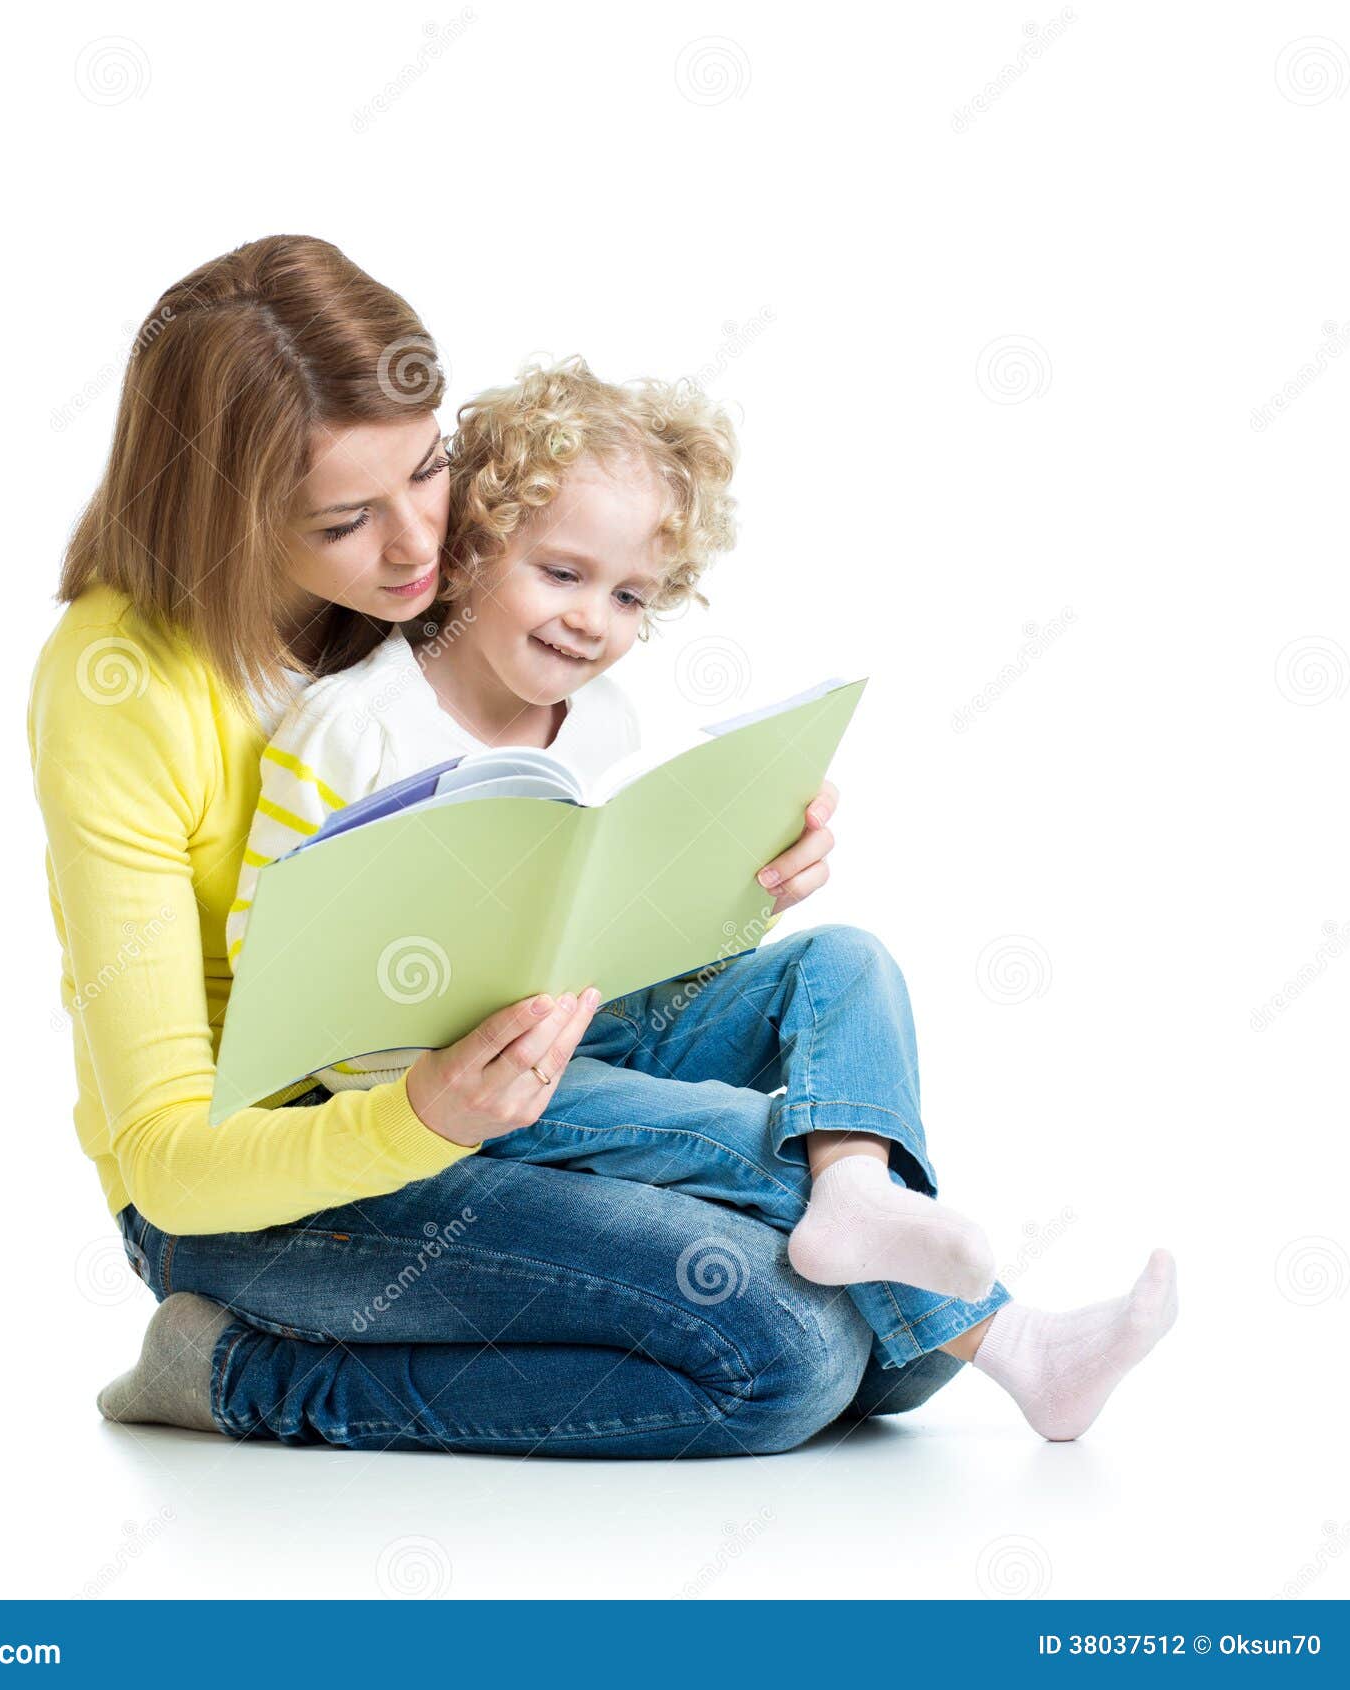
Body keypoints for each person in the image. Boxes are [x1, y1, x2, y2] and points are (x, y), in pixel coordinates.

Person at [222, 355, 1178, 1441]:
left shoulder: (607, 723)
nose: (591, 619)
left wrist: (734, 892)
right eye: (562, 572)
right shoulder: (356, 725)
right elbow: (266, 957)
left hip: (593, 1028)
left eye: (628, 595)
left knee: (847, 960)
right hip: (439, 1083)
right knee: (756, 1134)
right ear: (475, 545)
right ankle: (1018, 1345)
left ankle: (855, 1190)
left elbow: (625, 938)